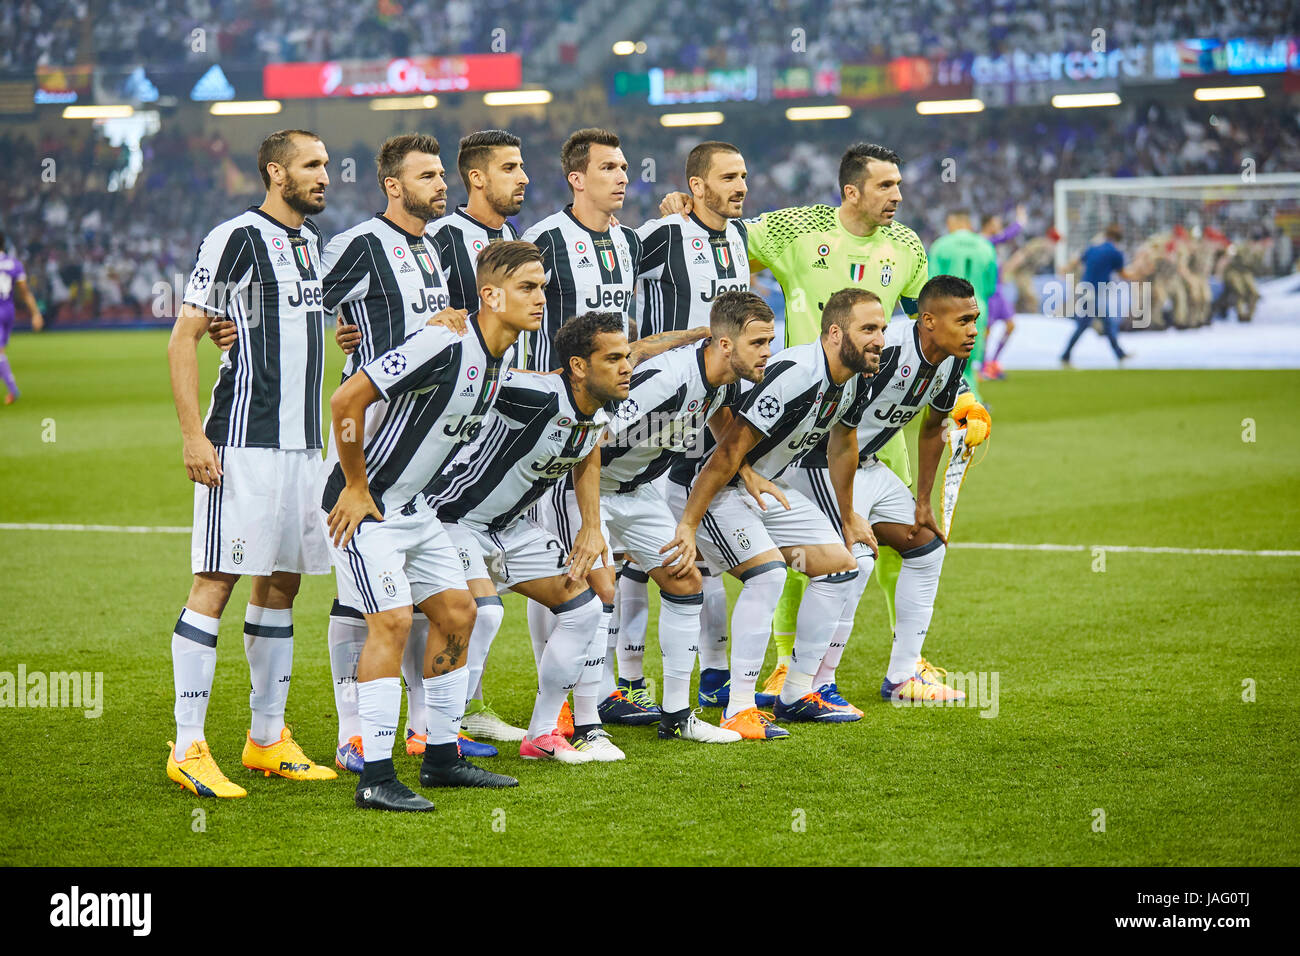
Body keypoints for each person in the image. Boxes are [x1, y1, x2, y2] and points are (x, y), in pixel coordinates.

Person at [658, 142, 929, 706]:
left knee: (870, 551)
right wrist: (690, 201)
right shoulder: (794, 231)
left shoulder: (905, 247)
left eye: (900, 185)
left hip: (848, 421)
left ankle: (860, 672)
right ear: (851, 190)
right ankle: (757, 678)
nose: (898, 196)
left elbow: (924, 325)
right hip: (759, 430)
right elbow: (719, 234)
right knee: (752, 564)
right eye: (886, 186)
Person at [321, 241, 537, 811]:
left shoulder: (499, 357)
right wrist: (356, 485)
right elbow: (347, 400)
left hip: (417, 510)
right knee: (390, 622)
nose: (540, 298)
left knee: (459, 613)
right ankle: (375, 775)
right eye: (528, 288)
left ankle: (442, 758)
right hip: (366, 512)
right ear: (490, 295)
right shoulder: (444, 341)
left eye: (542, 287)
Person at [164, 129, 336, 799]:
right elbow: (184, 335)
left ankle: (266, 738)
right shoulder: (234, 235)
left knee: (283, 583)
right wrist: (192, 437)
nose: (324, 175)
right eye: (311, 165)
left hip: (302, 446)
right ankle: (188, 745)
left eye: (325, 164)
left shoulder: (311, 244)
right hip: (241, 440)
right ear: (275, 172)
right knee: (217, 580)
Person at [668, 288, 885, 737]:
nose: (878, 338)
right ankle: (739, 708)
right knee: (768, 576)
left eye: (881, 329)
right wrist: (688, 523)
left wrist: (848, 516)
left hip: (761, 487)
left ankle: (798, 694)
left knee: (843, 568)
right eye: (868, 329)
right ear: (834, 333)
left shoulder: (857, 377)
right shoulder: (797, 374)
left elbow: (843, 444)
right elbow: (726, 452)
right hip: (708, 485)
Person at [429, 311, 628, 763]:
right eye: (614, 358)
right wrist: (437, 330)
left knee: (585, 609)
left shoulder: (599, 408)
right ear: (578, 367)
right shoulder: (535, 395)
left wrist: (591, 526)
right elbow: (469, 373)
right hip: (453, 519)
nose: (627, 367)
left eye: (627, 356)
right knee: (485, 614)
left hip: (510, 529)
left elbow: (587, 454)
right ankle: (437, 731)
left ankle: (541, 734)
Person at [785, 275, 988, 704]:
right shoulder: (885, 349)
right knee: (853, 561)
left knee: (926, 545)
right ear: (928, 320)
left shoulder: (952, 359)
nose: (973, 330)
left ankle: (903, 675)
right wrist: (848, 514)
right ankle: (814, 684)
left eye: (975, 319)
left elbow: (933, 428)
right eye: (964, 320)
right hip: (821, 461)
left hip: (868, 465)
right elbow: (841, 429)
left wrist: (922, 503)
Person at [597, 288, 777, 743]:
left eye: (769, 342)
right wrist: (584, 520)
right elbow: (590, 440)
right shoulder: (665, 380)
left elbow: (718, 417)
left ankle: (676, 718)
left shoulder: (723, 380)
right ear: (724, 345)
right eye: (758, 343)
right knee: (588, 592)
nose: (767, 354)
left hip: (635, 491)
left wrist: (746, 470)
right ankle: (577, 720)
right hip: (585, 486)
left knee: (684, 581)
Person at [613, 140, 751, 716]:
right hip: (663, 403)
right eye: (728, 176)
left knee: (689, 550)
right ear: (697, 186)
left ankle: (708, 676)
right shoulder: (664, 234)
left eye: (744, 175)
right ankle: (626, 679)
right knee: (643, 553)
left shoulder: (742, 238)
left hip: (718, 401)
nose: (741, 185)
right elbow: (606, 274)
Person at [928, 210, 997, 397]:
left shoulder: (941, 246)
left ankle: (952, 406)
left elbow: (932, 284)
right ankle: (973, 403)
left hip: (948, 312)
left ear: (952, 222)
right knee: (969, 363)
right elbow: (991, 286)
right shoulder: (986, 247)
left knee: (947, 362)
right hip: (977, 310)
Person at [1061, 224, 1135, 365]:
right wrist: (1139, 273)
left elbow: (1076, 261)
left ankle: (1066, 354)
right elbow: (1124, 275)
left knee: (1087, 324)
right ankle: (1119, 354)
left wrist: (1065, 270)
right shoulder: (1115, 253)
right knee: (1102, 323)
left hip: (1085, 289)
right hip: (1094, 292)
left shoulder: (1093, 248)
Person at [0, 231, 44, 405]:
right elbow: (25, 292)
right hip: (9, 311)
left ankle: (13, 389)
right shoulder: (14, 264)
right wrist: (36, 313)